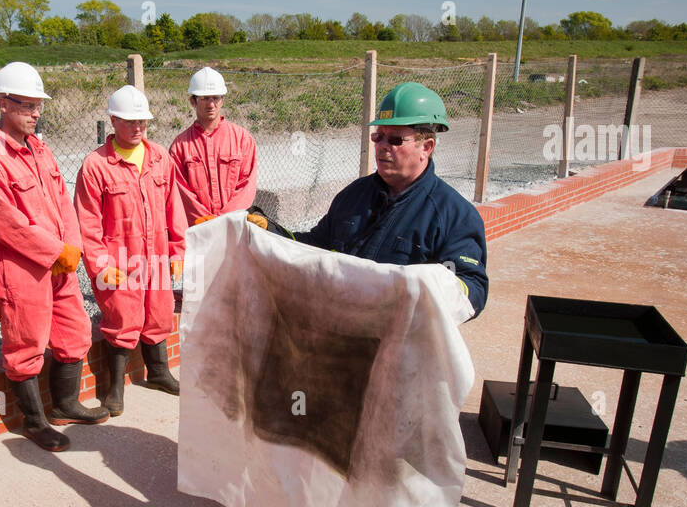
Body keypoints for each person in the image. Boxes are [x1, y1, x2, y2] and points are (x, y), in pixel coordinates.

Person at [0, 62, 108, 452]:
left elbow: (64, 201)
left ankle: (65, 404)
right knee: (26, 345)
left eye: (37, 105)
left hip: (60, 263)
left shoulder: (39, 149)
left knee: (75, 332)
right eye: (26, 104)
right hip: (20, 270)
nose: (35, 112)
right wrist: (55, 250)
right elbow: (6, 225)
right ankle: (34, 421)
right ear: (2, 103)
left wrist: (71, 246)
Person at [273, 82, 488, 318]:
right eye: (378, 137)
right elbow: (316, 245)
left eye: (395, 140)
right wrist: (275, 234)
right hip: (340, 332)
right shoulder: (353, 196)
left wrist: (430, 286)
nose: (382, 146)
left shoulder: (454, 215)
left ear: (426, 147)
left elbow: (472, 291)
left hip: (401, 344)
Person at [74, 85, 186, 415]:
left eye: (142, 122)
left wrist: (177, 252)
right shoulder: (96, 166)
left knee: (159, 311)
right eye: (130, 121)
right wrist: (98, 264)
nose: (137, 128)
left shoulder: (160, 158)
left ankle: (159, 372)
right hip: (118, 260)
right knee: (122, 318)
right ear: (113, 120)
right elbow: (87, 221)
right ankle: (114, 388)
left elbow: (173, 208)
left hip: (157, 255)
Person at [169, 67, 257, 226]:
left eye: (216, 98)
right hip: (199, 229)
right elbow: (181, 191)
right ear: (192, 101)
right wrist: (207, 223)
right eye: (204, 98)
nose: (211, 104)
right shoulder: (180, 146)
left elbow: (246, 185)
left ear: (222, 100)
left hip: (235, 226)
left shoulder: (242, 139)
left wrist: (226, 220)